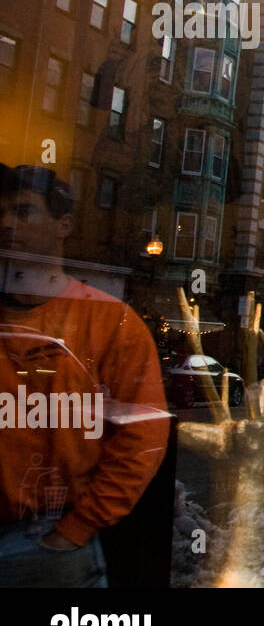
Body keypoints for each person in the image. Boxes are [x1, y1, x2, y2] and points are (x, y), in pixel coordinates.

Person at [0, 165, 169, 587]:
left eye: (23, 212)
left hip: (46, 543)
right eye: (0, 212)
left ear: (64, 226)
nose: (5, 224)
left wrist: (75, 529)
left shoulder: (109, 320)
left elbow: (143, 436)